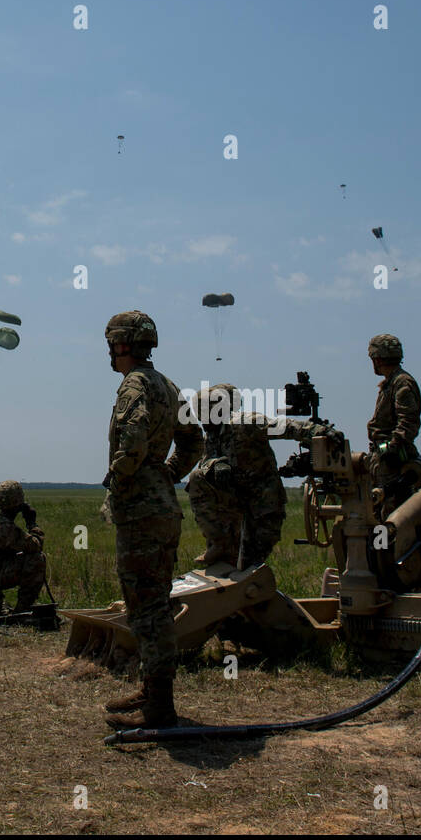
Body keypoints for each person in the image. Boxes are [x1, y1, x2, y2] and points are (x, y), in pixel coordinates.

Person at [100, 310, 203, 730]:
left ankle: (159, 706)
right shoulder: (169, 386)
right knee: (153, 599)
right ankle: (151, 688)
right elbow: (194, 440)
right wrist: (169, 475)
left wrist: (121, 477)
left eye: (111, 343)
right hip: (162, 505)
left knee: (147, 607)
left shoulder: (135, 385)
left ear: (121, 344)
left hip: (141, 508)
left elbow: (135, 436)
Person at [186, 383, 335, 569]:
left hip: (264, 506)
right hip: (237, 506)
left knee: (250, 565)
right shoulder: (212, 437)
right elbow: (204, 464)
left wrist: (318, 432)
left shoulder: (245, 423)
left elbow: (284, 426)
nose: (202, 420)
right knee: (197, 478)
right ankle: (218, 544)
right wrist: (216, 464)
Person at [0, 480, 46, 612]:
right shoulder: (5, 527)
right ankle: (23, 611)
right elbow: (36, 545)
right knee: (36, 559)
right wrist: (32, 523)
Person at [366, 334, 421, 510]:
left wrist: (391, 448)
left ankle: (388, 539)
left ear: (377, 359)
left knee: (391, 513)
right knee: (379, 513)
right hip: (385, 459)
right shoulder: (392, 382)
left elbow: (408, 422)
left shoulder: (401, 383)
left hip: (393, 462)